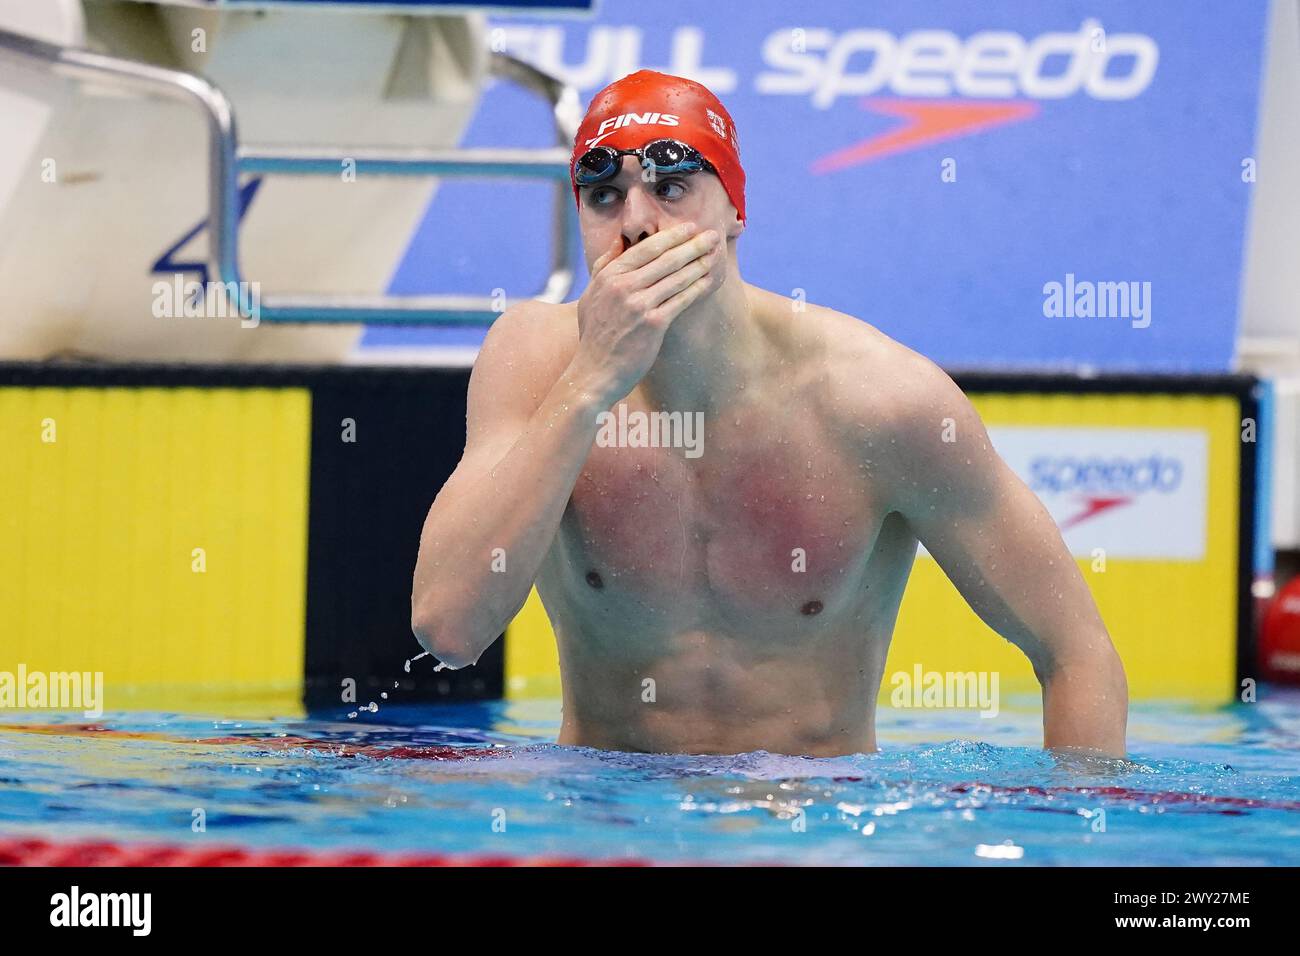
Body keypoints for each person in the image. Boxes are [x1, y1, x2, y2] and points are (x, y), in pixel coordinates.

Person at [411, 70, 1128, 758]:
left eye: (672, 187)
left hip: (811, 822)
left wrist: (1078, 832)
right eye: (603, 197)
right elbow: (447, 629)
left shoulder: (877, 401)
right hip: (608, 819)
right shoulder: (536, 362)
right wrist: (591, 382)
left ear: (735, 210)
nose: (636, 223)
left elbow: (1076, 652)